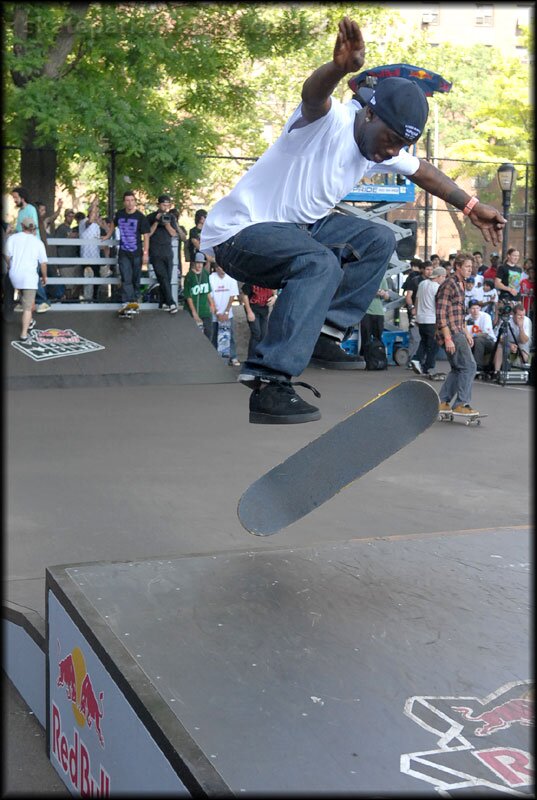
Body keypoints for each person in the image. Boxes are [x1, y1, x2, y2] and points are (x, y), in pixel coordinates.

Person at [200, 17, 505, 424]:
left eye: (400, 145)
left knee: (378, 240)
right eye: (389, 140)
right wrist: (338, 68)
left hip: (297, 231)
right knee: (318, 261)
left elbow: (423, 171)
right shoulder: (330, 123)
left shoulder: (376, 145)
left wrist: (470, 206)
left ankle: (326, 333)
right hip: (239, 234)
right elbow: (313, 97)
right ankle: (269, 383)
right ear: (369, 114)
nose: (389, 152)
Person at [436, 253, 480, 415]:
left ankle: (443, 401)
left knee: (457, 368)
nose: (470, 270)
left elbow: (459, 313)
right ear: (458, 267)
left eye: (471, 267)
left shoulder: (461, 284)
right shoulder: (449, 284)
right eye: (467, 267)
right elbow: (441, 313)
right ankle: (461, 404)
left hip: (458, 330)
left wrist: (467, 332)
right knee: (469, 366)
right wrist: (448, 338)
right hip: (451, 332)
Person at [5, 217, 48, 340]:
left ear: (22, 226)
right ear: (33, 228)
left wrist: (11, 266)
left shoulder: (13, 238)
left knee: (24, 296)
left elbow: (7, 255)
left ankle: (28, 319)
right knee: (28, 308)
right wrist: (45, 277)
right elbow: (43, 263)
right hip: (29, 278)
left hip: (14, 276)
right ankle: (24, 334)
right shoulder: (38, 243)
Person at [107, 191, 150, 310]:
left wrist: (145, 253)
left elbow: (146, 235)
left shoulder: (140, 217)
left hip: (137, 252)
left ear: (135, 202)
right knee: (126, 277)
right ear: (124, 202)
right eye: (127, 200)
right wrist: (107, 236)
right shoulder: (120, 214)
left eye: (132, 200)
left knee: (135, 277)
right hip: (124, 252)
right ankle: (127, 301)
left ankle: (135, 300)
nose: (130, 203)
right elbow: (112, 224)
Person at [10, 186, 50, 312]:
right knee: (25, 275)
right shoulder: (20, 212)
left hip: (31, 247)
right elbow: (20, 230)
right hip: (23, 248)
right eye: (13, 198)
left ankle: (43, 301)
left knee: (32, 276)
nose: (14, 200)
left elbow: (33, 228)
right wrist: (13, 231)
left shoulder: (31, 209)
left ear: (22, 197)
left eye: (16, 197)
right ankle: (25, 302)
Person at [146, 194, 181, 313]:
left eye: (167, 205)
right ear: (158, 205)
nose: (165, 208)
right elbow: (147, 234)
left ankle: (163, 302)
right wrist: (156, 221)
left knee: (167, 278)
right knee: (162, 277)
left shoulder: (171, 217)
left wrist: (166, 224)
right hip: (155, 251)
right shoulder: (150, 217)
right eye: (163, 205)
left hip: (167, 251)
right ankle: (171, 302)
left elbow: (173, 233)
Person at [411, 265, 446, 376]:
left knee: (424, 341)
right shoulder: (437, 287)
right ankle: (428, 367)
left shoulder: (422, 284)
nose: (444, 280)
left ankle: (417, 360)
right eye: (444, 277)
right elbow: (438, 305)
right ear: (439, 276)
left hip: (421, 318)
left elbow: (417, 300)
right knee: (434, 344)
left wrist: (416, 314)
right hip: (431, 319)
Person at [209, 262, 241, 366]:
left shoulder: (231, 278)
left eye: (224, 268)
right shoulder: (211, 278)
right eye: (219, 268)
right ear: (216, 268)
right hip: (215, 312)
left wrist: (226, 311)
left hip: (227, 313)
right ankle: (214, 356)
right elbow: (210, 295)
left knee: (229, 335)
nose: (222, 270)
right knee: (213, 335)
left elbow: (232, 296)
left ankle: (233, 356)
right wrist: (217, 311)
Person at [80, 199, 109, 302]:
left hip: (95, 258)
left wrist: (103, 225)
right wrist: (93, 205)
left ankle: (95, 300)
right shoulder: (83, 222)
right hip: (86, 258)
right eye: (95, 212)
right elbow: (90, 220)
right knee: (88, 281)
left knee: (97, 279)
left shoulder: (97, 226)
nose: (97, 214)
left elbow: (108, 233)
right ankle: (87, 300)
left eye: (98, 213)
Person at [183, 251, 216, 339]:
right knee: (194, 336)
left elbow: (207, 291)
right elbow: (188, 296)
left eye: (201, 263)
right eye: (198, 263)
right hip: (194, 310)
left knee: (209, 333)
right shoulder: (189, 276)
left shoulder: (205, 274)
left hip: (205, 310)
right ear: (194, 263)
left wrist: (212, 304)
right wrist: (194, 313)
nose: (199, 265)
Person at [241, 283, 278, 360]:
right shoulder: (252, 279)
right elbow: (244, 295)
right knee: (256, 333)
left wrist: (274, 297)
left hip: (264, 309)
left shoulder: (269, 279)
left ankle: (259, 357)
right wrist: (249, 312)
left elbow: (275, 290)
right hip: (253, 308)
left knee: (263, 334)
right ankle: (251, 358)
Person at [492, 302, 532, 373]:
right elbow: (499, 337)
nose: (521, 317)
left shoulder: (527, 321)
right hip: (508, 341)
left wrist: (521, 328)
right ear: (513, 314)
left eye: (523, 315)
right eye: (519, 315)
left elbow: (524, 340)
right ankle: (496, 372)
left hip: (521, 341)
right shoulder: (506, 320)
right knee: (499, 346)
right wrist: (509, 345)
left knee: (524, 348)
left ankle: (519, 371)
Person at [360, 274, 390, 359]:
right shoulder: (365, 277)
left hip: (378, 312)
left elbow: (387, 296)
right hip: (366, 311)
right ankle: (365, 359)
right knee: (366, 337)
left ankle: (378, 359)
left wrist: (383, 293)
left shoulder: (382, 278)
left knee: (378, 337)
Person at [54, 208, 79, 301]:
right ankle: (68, 304)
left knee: (73, 284)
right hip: (64, 261)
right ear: (65, 216)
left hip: (72, 260)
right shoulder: (61, 228)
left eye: (73, 217)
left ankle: (72, 301)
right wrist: (68, 237)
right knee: (67, 285)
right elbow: (56, 243)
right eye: (69, 216)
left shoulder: (71, 229)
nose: (71, 218)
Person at [465, 298, 496, 372]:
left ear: (480, 308)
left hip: (489, 341)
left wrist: (472, 336)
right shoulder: (466, 319)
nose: (475, 311)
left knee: (478, 340)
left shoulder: (486, 316)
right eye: (473, 308)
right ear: (469, 310)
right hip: (472, 341)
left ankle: (478, 366)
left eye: (477, 308)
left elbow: (485, 333)